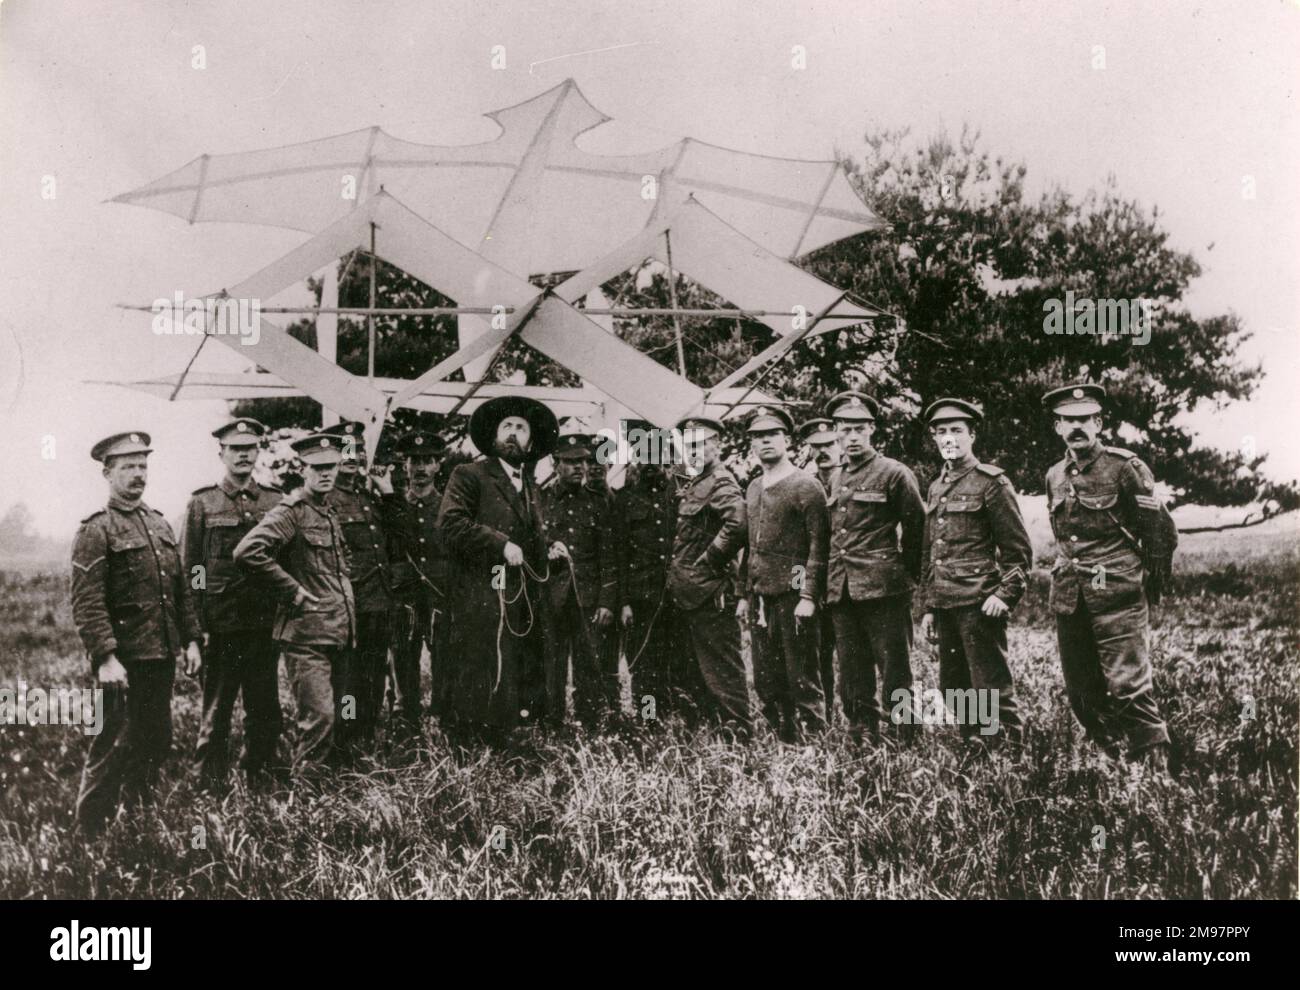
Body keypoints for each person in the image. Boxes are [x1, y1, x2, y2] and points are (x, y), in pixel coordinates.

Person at [70, 431, 202, 834]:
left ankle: (136, 819)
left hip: (158, 654)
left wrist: (192, 639)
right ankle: (87, 834)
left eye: (143, 465)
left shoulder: (160, 524)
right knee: (112, 745)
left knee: (156, 739)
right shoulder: (97, 529)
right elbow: (87, 601)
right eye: (128, 466)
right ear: (107, 473)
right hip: (123, 662)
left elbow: (181, 590)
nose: (138, 474)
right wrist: (106, 658)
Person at [1042, 383, 1177, 770]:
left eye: (1084, 419)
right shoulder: (1054, 475)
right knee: (1081, 692)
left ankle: (1154, 768)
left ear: (1098, 423)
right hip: (1071, 596)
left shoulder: (1125, 467)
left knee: (1129, 686)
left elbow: (1159, 531)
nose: (1076, 427)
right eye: (1068, 421)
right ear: (1058, 427)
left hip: (1117, 593)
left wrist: (1150, 579)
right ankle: (1112, 757)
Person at [437, 396, 561, 739]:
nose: (513, 433)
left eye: (521, 428)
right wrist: (499, 544)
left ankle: (510, 739)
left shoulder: (530, 487)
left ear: (531, 441)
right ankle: (469, 745)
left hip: (521, 599)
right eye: (506, 426)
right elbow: (450, 525)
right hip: (479, 596)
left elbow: (529, 539)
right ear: (493, 437)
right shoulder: (469, 475)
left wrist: (549, 549)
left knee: (517, 667)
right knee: (481, 668)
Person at [234, 434, 354, 773]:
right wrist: (292, 590)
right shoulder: (291, 511)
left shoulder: (328, 511)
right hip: (307, 638)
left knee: (345, 713)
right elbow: (247, 552)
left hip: (340, 633)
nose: (325, 474)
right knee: (319, 720)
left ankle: (335, 792)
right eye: (317, 468)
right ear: (303, 469)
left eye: (331, 466)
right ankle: (306, 803)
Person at [917, 399, 1032, 744]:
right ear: (934, 439)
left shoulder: (991, 483)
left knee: (991, 685)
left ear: (972, 435)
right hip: (946, 603)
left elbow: (1019, 552)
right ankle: (976, 747)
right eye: (941, 432)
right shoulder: (936, 486)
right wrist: (928, 607)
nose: (948, 438)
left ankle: (1009, 754)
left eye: (956, 430)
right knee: (955, 688)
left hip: (979, 603)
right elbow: (931, 553)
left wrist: (1004, 595)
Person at [181, 418, 283, 789]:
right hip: (220, 628)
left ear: (258, 452)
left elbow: (284, 562)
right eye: (235, 449)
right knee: (216, 715)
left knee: (266, 712)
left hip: (263, 625)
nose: (243, 455)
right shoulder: (202, 502)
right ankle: (210, 789)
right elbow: (192, 569)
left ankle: (261, 782)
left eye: (250, 448)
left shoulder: (275, 501)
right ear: (221, 453)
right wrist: (196, 628)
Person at [823, 391, 925, 740]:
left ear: (872, 430)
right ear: (835, 432)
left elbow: (917, 530)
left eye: (859, 429)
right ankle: (861, 733)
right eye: (844, 429)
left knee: (895, 669)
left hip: (885, 590)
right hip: (843, 590)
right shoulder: (836, 478)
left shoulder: (894, 473)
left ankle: (904, 735)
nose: (851, 437)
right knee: (851, 671)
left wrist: (902, 576)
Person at [739, 407, 829, 742]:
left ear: (787, 440)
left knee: (802, 674)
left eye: (772, 434)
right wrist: (744, 594)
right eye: (757, 437)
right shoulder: (752, 488)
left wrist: (807, 595)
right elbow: (752, 546)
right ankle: (782, 740)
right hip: (762, 597)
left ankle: (814, 745)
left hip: (793, 594)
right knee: (766, 677)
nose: (764, 441)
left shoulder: (806, 486)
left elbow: (819, 546)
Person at [666, 416, 750, 734]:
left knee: (722, 670)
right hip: (689, 592)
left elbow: (739, 525)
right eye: (689, 446)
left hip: (710, 591)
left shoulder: (721, 481)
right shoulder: (692, 482)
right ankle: (709, 731)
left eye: (701, 444)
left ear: (717, 445)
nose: (694, 451)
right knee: (697, 670)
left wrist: (710, 560)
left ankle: (738, 733)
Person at [323, 420, 398, 752]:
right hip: (349, 605)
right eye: (345, 450)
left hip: (379, 603)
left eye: (359, 449)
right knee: (349, 682)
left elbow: (399, 539)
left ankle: (366, 735)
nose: (352, 457)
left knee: (374, 675)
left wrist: (390, 494)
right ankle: (346, 737)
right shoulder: (327, 499)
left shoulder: (371, 496)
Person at [542, 433, 619, 728]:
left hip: (588, 599)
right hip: (551, 597)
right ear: (555, 463)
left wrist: (606, 602)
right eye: (571, 462)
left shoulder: (600, 503)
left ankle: (589, 722)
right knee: (552, 664)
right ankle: (552, 722)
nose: (580, 467)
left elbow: (609, 557)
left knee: (589, 664)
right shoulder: (541, 499)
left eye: (584, 461)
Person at [612, 421, 683, 725]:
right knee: (644, 661)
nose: (652, 461)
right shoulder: (624, 499)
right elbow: (618, 554)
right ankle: (650, 720)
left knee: (679, 659)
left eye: (659, 452)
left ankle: (679, 717)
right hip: (641, 597)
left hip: (677, 593)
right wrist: (624, 601)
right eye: (645, 453)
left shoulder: (680, 495)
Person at [388, 430, 452, 733]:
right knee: (403, 657)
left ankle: (443, 716)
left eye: (428, 461)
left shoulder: (451, 507)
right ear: (405, 466)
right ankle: (406, 720)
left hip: (441, 595)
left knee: (444, 657)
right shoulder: (394, 507)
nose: (421, 468)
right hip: (405, 596)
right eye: (415, 461)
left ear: (439, 466)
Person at [799, 417, 841, 718]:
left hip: (847, 581)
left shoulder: (850, 478)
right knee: (818, 654)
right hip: (815, 583)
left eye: (828, 444)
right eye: (815, 447)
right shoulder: (804, 483)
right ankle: (824, 715)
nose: (822, 451)